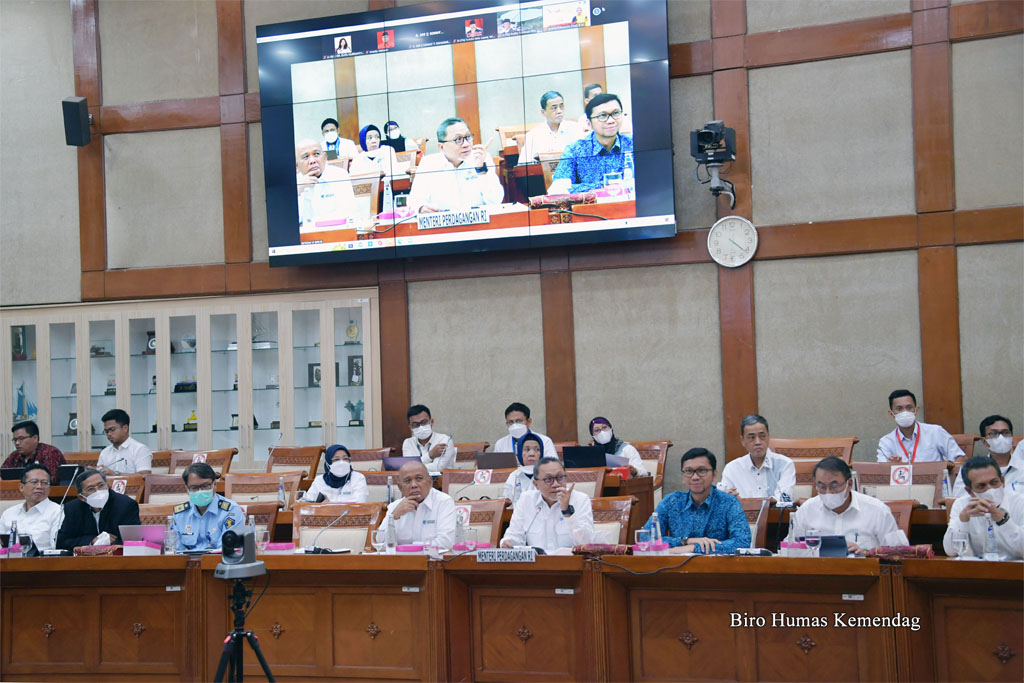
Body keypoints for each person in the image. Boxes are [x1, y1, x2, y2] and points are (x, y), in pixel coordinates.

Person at [787, 456, 908, 554]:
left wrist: (866, 553)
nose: (828, 492)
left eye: (834, 486)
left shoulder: (877, 510)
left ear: (849, 484)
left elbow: (899, 552)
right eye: (822, 487)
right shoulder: (806, 510)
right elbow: (790, 549)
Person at [645, 448, 750, 554]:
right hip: (676, 567)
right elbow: (646, 539)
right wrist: (685, 541)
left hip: (717, 568)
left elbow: (742, 542)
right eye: (689, 471)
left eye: (701, 471)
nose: (695, 477)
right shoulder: (671, 502)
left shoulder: (729, 502)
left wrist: (695, 548)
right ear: (683, 476)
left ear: (714, 474)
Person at [405, 117, 503, 213]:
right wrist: (421, 208)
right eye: (458, 139)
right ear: (442, 147)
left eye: (468, 137)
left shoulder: (481, 159)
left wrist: (481, 170)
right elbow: (414, 201)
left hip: (479, 225)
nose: (466, 144)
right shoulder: (429, 163)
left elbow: (496, 201)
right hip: (443, 225)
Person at [501, 457, 594, 551]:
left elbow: (587, 543)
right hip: (536, 563)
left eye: (560, 477)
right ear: (535, 484)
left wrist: (567, 512)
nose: (556, 484)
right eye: (548, 479)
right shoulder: (526, 500)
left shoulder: (580, 500)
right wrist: (507, 543)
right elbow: (514, 535)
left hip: (570, 562)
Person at [548, 93, 633, 194]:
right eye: (602, 116)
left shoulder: (633, 145)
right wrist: (603, 186)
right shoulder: (575, 150)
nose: (611, 120)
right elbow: (558, 189)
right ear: (589, 123)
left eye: (615, 113)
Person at [943, 456, 1024, 559]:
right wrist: (962, 521)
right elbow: (950, 551)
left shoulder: (1020, 502)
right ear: (969, 491)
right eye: (981, 486)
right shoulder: (962, 505)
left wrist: (1004, 520)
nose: (990, 489)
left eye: (994, 483)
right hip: (978, 570)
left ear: (1003, 481)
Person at [56, 469, 141, 550]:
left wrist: (109, 544)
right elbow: (61, 542)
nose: (98, 491)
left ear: (107, 486)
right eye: (91, 489)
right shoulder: (73, 508)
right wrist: (92, 540)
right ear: (82, 497)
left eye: (101, 485)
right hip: (84, 561)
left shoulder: (126, 505)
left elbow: (134, 541)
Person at [170, 462, 245, 552]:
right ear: (187, 489)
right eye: (194, 487)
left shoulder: (231, 511)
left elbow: (228, 550)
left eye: (205, 486)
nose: (200, 491)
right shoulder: (180, 514)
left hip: (218, 563)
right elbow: (174, 550)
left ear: (214, 485)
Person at [719, 414, 795, 502]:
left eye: (762, 436)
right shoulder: (732, 468)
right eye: (751, 437)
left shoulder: (785, 464)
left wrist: (748, 502)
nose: (758, 442)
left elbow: (785, 499)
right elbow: (724, 501)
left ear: (768, 437)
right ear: (742, 441)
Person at [876, 389, 964, 464]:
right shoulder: (886, 442)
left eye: (909, 407)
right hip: (902, 483)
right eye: (899, 409)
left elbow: (960, 458)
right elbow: (882, 472)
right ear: (891, 414)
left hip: (933, 482)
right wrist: (892, 467)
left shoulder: (935, 432)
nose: (905, 412)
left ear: (916, 411)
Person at [380, 461, 457, 547]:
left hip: (434, 559)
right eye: (408, 481)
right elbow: (379, 542)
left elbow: (445, 542)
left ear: (430, 482)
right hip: (401, 560)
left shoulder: (444, 502)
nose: (413, 485)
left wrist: (408, 548)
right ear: (400, 487)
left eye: (419, 478)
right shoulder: (394, 507)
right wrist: (394, 516)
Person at [952, 415, 1021, 497]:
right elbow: (959, 499)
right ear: (984, 442)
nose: (1001, 437)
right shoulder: (969, 469)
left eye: (1005, 433)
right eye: (993, 433)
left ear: (1012, 439)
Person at [0, 463, 62, 550]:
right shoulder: (9, 513)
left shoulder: (58, 512)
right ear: (21, 487)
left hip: (42, 562)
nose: (39, 487)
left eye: (44, 483)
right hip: (8, 562)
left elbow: (56, 549)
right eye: (34, 482)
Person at [296, 138, 356, 223]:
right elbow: (287, 220)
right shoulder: (294, 182)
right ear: (297, 165)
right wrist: (299, 189)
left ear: (324, 157)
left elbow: (348, 212)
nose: (312, 161)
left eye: (316, 154)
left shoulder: (339, 175)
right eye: (306, 157)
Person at [518, 91, 583, 165]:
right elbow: (522, 165)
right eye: (554, 108)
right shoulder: (533, 135)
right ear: (543, 112)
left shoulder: (575, 128)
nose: (559, 111)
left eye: (561, 106)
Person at [302, 444, 369, 503]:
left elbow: (359, 503)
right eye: (336, 459)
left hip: (350, 516)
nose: (341, 462)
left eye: (345, 458)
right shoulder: (319, 480)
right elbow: (308, 502)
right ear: (328, 463)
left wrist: (329, 505)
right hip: (323, 517)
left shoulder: (358, 478)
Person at [402, 404, 456, 474]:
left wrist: (414, 467)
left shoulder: (445, 440)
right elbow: (408, 468)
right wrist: (430, 455)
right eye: (415, 424)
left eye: (424, 422)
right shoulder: (408, 443)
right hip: (415, 483)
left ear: (432, 422)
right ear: (410, 427)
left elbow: (437, 468)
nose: (420, 427)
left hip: (441, 482)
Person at [493, 402, 557, 459]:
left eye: (519, 421)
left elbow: (553, 466)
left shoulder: (545, 441)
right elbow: (496, 468)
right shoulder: (501, 444)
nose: (515, 426)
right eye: (511, 422)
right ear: (507, 424)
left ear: (529, 422)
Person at [97, 408, 152, 475]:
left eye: (112, 429)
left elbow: (144, 477)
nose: (109, 434)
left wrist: (115, 474)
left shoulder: (140, 449)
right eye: (106, 431)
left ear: (125, 428)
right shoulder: (105, 452)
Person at [503, 432, 542, 502]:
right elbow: (507, 505)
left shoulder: (548, 476)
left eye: (536, 450)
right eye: (527, 449)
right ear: (520, 453)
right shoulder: (513, 476)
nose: (531, 454)